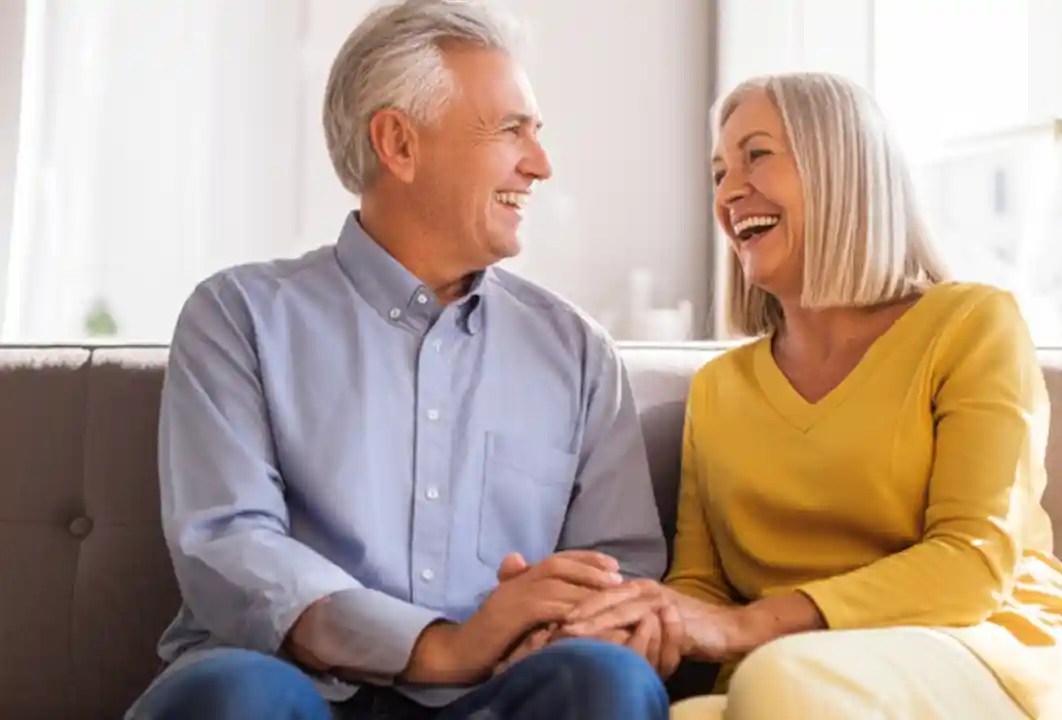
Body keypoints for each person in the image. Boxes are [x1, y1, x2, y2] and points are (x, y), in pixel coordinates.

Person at [126, 2, 675, 718]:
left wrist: (581, 621)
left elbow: (619, 570)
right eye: (512, 129)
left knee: (606, 682)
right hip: (293, 689)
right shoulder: (239, 316)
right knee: (231, 692)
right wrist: (439, 644)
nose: (540, 165)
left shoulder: (576, 352)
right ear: (398, 143)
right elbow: (230, 545)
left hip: (494, 699)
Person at [559, 73, 1062, 719]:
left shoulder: (970, 325)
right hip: (794, 675)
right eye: (719, 172)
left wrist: (750, 627)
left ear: (843, 170)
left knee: (780, 680)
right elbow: (701, 587)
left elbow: (972, 563)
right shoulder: (721, 389)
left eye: (757, 155)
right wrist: (627, 625)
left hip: (989, 650)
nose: (729, 191)